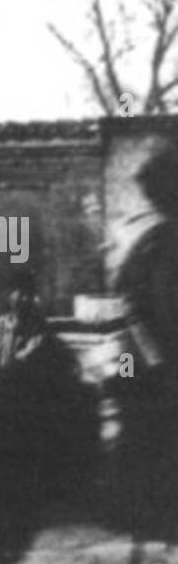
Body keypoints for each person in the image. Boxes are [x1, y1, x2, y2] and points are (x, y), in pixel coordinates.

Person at [113, 143, 178, 543]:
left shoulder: (148, 243)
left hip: (149, 370)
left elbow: (129, 304)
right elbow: (145, 308)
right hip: (160, 373)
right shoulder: (157, 245)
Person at [0, 268, 48, 372]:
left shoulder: (38, 326)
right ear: (10, 295)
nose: (25, 299)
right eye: (21, 294)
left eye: (29, 295)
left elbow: (34, 358)